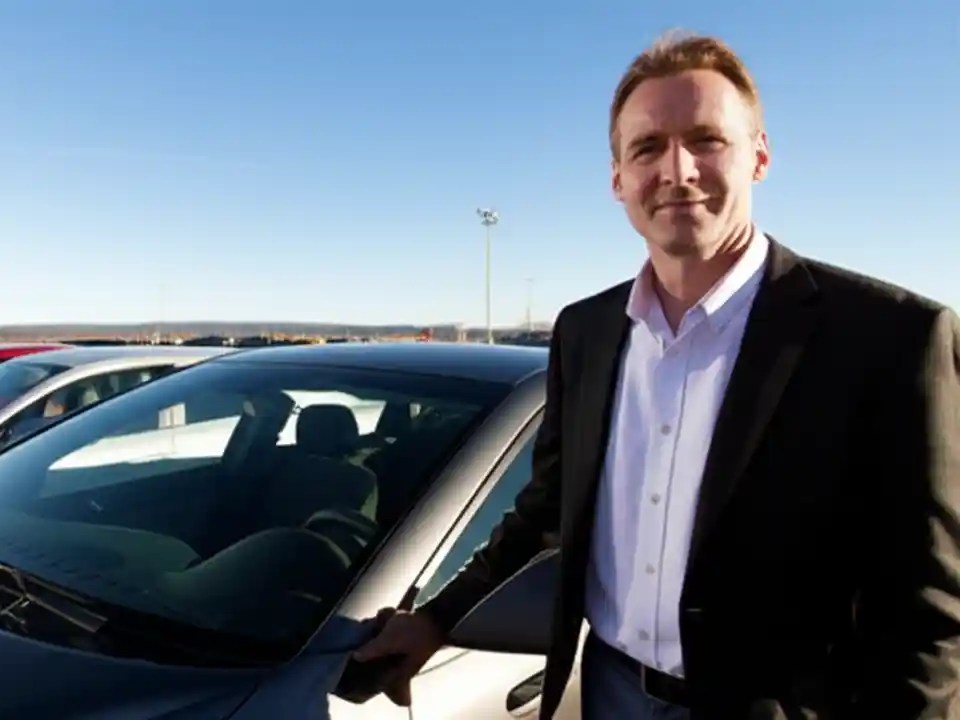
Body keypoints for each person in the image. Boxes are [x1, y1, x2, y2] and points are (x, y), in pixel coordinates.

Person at [354, 31, 960, 720]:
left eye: (706, 140)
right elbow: (545, 510)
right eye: (647, 148)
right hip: (608, 691)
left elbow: (929, 615)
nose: (677, 170)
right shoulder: (586, 332)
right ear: (618, 179)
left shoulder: (889, 339)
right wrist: (437, 618)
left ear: (760, 155)